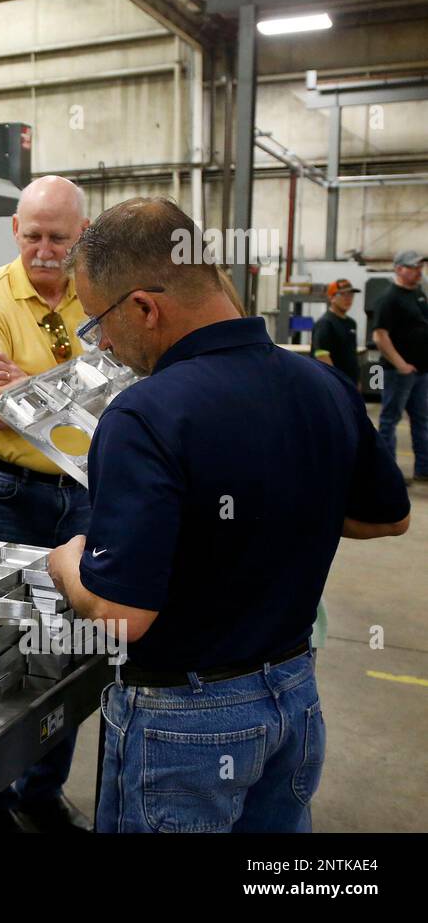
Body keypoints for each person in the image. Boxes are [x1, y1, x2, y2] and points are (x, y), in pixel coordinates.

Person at [47, 197, 411, 833]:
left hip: (185, 721)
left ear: (143, 307)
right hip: (293, 697)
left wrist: (68, 564)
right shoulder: (322, 385)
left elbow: (121, 621)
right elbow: (388, 518)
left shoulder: (143, 416)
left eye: (98, 320)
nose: (101, 341)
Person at [0, 174, 92, 834]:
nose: (43, 249)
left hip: (86, 495)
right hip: (3, 496)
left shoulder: (100, 298)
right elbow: (4, 415)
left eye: (58, 237)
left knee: (64, 650)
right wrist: (78, 391)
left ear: (81, 237)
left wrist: (33, 385)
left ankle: (41, 789)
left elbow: (125, 396)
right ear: (14, 230)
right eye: (32, 234)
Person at [371, 250, 428, 482]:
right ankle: (388, 474)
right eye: (413, 267)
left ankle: (423, 469)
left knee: (421, 420)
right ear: (398, 269)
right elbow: (380, 336)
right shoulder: (388, 299)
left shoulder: (419, 295)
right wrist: (401, 364)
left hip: (421, 372)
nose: (418, 271)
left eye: (419, 267)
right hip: (398, 373)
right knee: (390, 420)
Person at [310, 279, 361, 386]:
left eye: (351, 295)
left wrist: (357, 381)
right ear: (332, 297)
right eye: (343, 294)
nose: (348, 299)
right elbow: (321, 355)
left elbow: (351, 355)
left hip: (349, 383)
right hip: (333, 384)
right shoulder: (325, 323)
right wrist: (336, 382)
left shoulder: (351, 323)